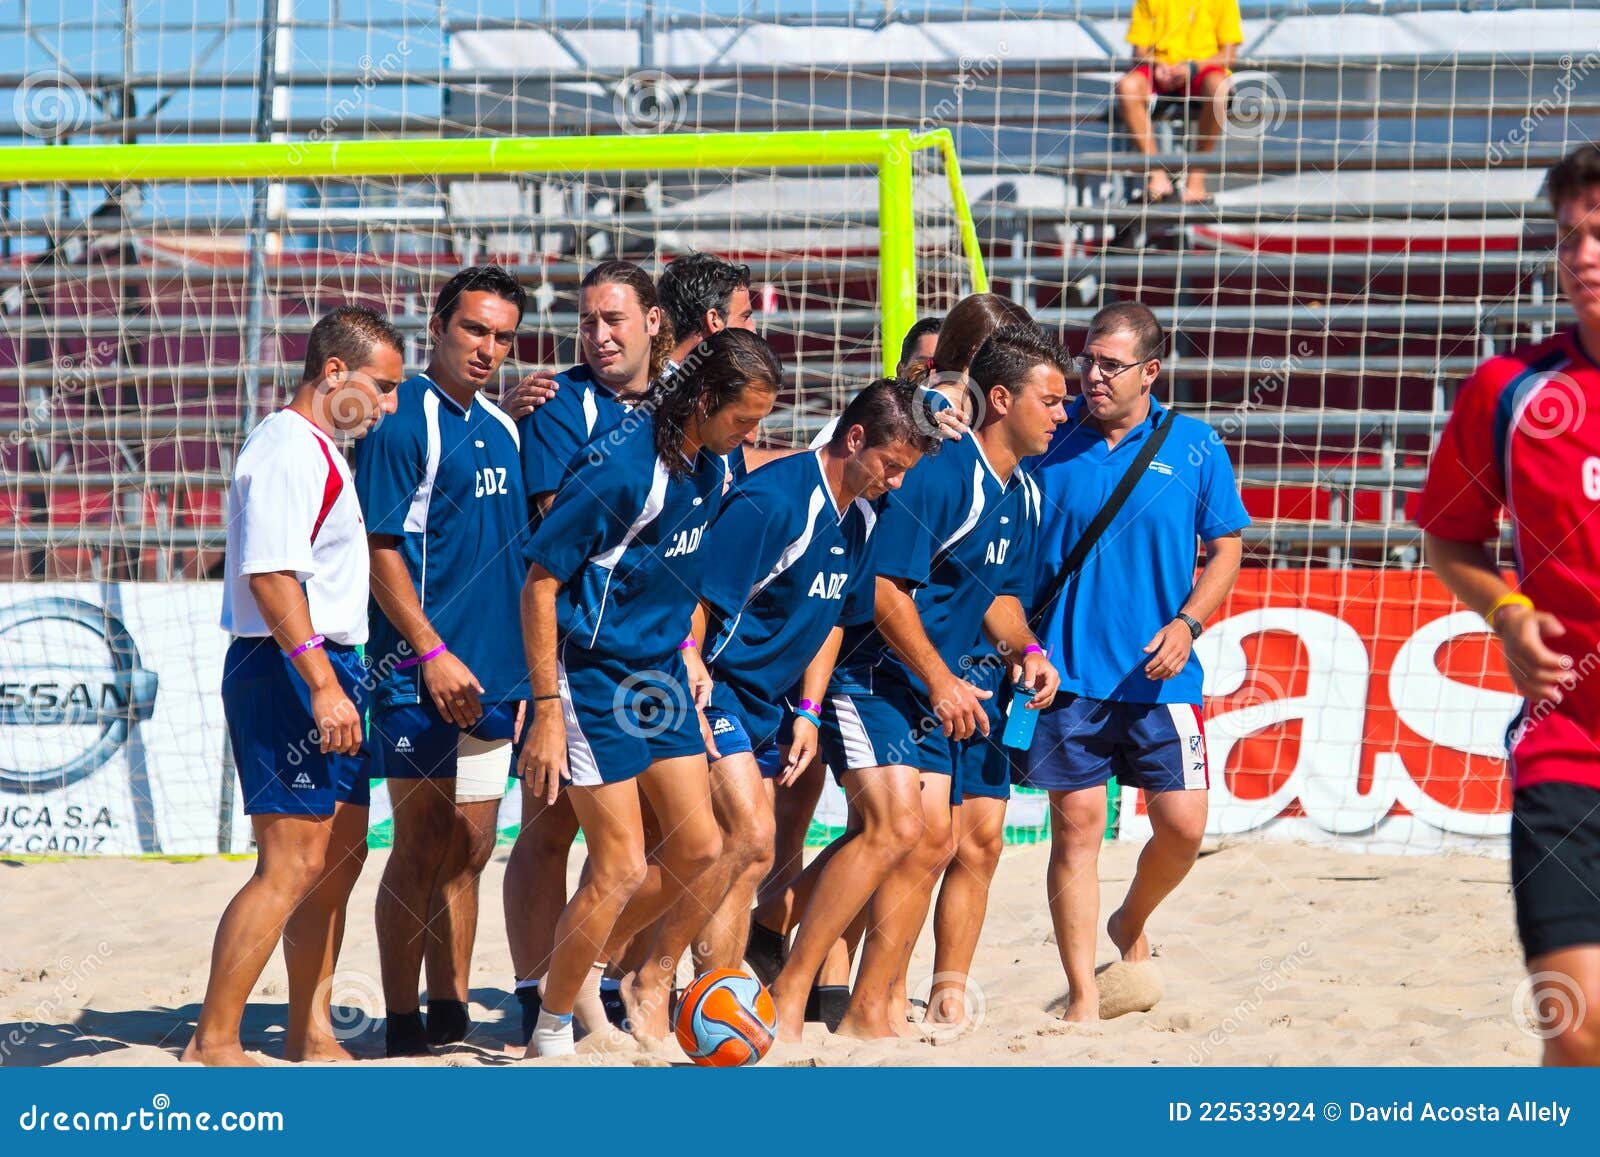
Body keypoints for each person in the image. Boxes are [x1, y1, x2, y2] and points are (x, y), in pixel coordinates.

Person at [768, 325, 1068, 1042]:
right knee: (897, 827)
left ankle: (873, 1005)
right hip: (872, 672)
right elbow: (882, 591)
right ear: (1000, 398)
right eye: (1051, 400)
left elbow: (996, 594)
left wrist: (1026, 647)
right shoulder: (941, 469)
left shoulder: (1021, 492)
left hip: (935, 686)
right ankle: (787, 981)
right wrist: (939, 679)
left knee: (936, 841)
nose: (1064, 414)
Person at [518, 328, 783, 1056]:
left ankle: (603, 972)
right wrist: (544, 708)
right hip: (592, 673)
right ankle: (550, 1024)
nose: (751, 435)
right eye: (743, 419)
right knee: (621, 865)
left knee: (702, 848)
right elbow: (539, 585)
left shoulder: (711, 464)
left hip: (659, 670)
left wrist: (689, 652)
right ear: (702, 399)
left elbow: (681, 577)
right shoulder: (623, 470)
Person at [657, 380, 943, 991]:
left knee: (741, 856)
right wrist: (691, 664)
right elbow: (694, 597)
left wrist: (810, 709)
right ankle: (643, 979)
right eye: (891, 467)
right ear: (855, 438)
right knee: (747, 842)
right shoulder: (774, 501)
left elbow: (833, 620)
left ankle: (715, 995)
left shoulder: (864, 517)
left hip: (774, 702)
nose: (895, 484)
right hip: (718, 688)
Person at [1415, 144, 1600, 1066]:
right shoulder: (1511, 391)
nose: (1585, 254)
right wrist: (1505, 611)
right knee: (1578, 1025)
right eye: (1571, 235)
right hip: (1565, 751)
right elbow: (1449, 538)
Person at [184, 307, 403, 1066]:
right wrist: (320, 681)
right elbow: (270, 576)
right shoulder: (284, 450)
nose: (390, 404)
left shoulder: (318, 447)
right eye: (383, 386)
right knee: (291, 863)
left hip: (326, 663)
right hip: (287, 665)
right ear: (334, 373)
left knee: (336, 860)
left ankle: (310, 1028)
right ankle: (214, 1039)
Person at [1020, 301, 1247, 1022]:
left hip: (1161, 675)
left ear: (1151, 371)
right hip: (1068, 673)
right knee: (1077, 827)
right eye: (1087, 358)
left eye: (1110, 365)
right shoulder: (1050, 441)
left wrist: (1190, 621)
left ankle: (1130, 919)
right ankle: (1084, 995)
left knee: (1183, 827)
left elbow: (1227, 548)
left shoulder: (1196, 445)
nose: (1092, 375)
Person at [353, 265, 531, 1057]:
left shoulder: (504, 424)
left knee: (471, 846)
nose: (488, 347)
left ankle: (451, 1009)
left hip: (492, 674)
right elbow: (377, 547)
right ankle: (399, 1022)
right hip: (417, 673)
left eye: (503, 335)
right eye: (475, 329)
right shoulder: (402, 421)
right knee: (421, 842)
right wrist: (430, 650)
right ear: (438, 325)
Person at [500, 259, 673, 1042]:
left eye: (615, 320)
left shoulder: (680, 405)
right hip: (565, 651)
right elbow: (556, 542)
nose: (600, 336)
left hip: (649, 654)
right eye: (588, 322)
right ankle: (536, 989)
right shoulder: (558, 403)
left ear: (654, 321)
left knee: (674, 844)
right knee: (546, 828)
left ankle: (594, 977)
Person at [1116, 0, 1243, 203]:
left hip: (1201, 72)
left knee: (1220, 87)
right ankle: (1157, 175)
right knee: (1126, 86)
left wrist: (1191, 68)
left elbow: (1229, 55)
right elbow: (1138, 53)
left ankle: (1196, 179)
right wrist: (1158, 65)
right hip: (1158, 73)